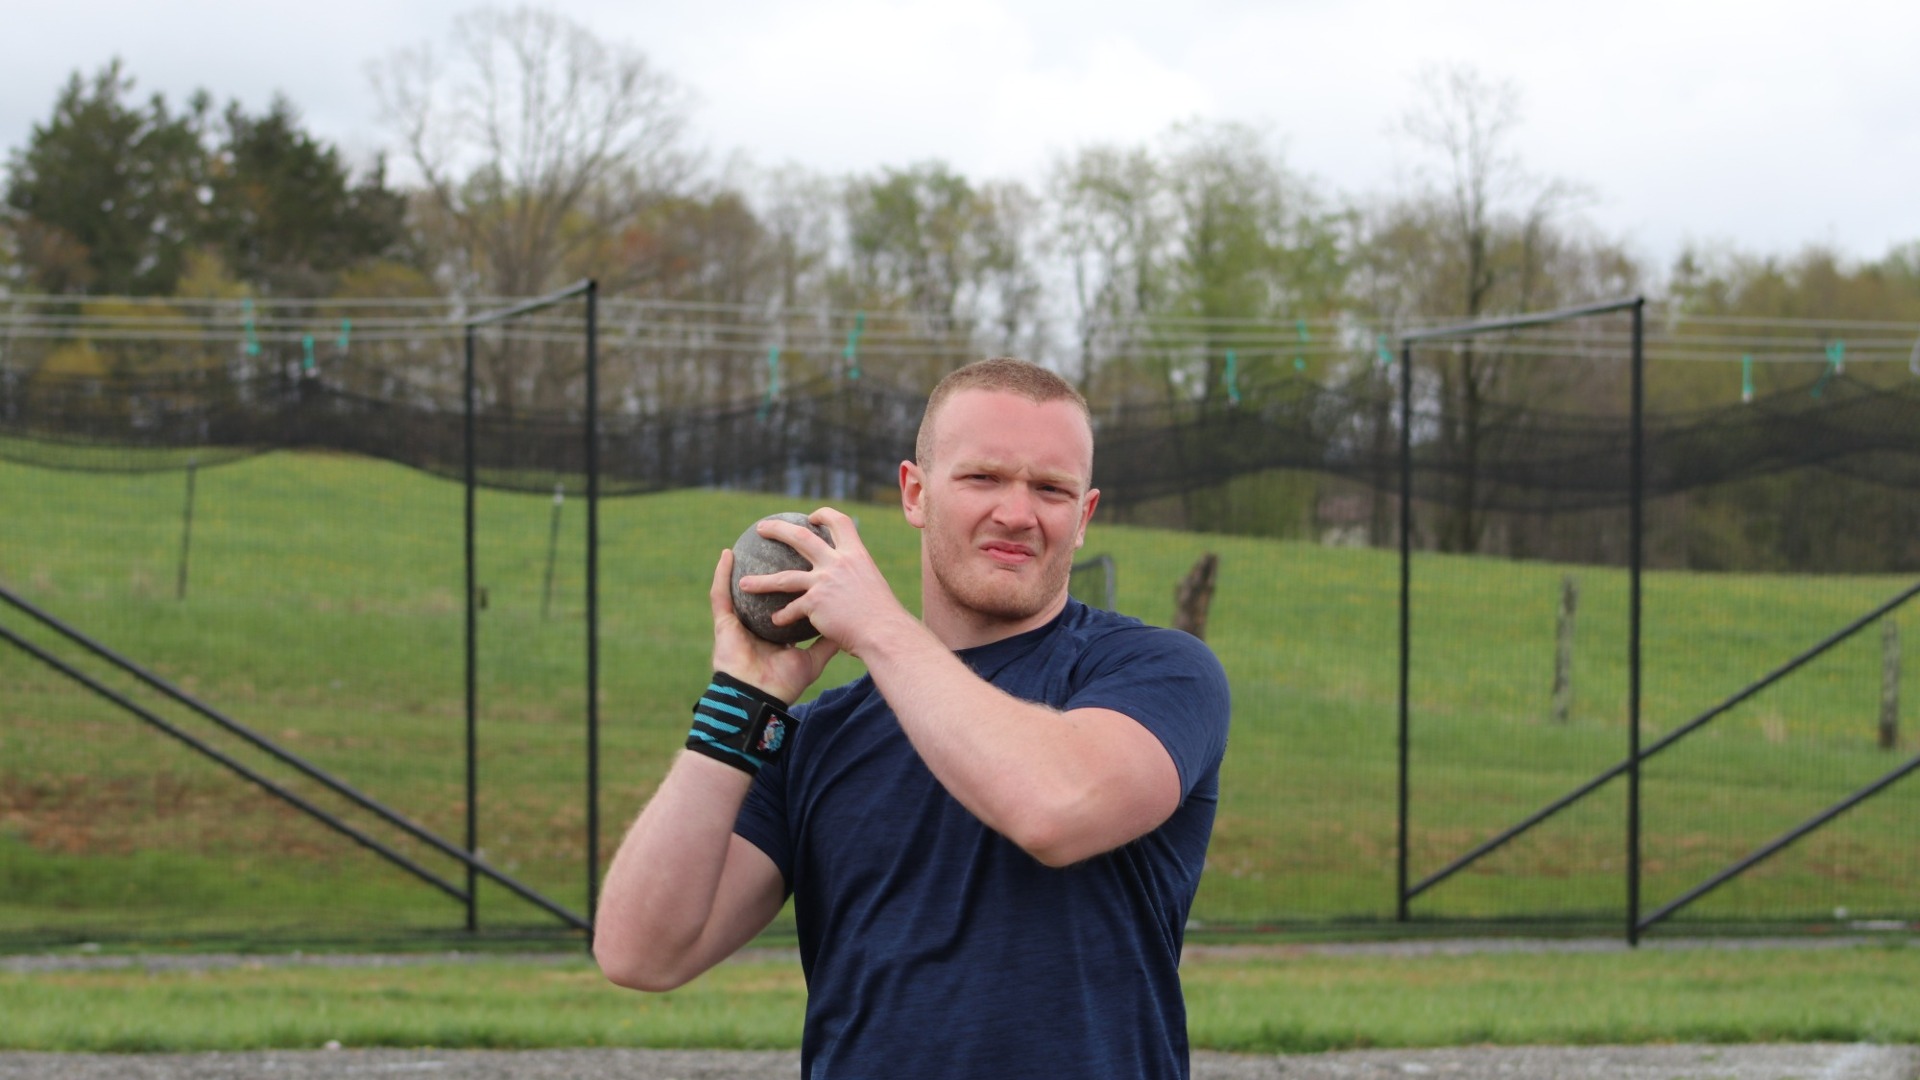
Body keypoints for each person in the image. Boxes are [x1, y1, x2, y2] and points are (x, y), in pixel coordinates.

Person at [595, 357, 1231, 1079]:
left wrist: (878, 627)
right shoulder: (816, 737)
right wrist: (741, 698)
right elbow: (639, 951)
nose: (1017, 514)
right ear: (915, 492)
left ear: (1082, 516)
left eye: (1051, 489)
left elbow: (1055, 808)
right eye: (982, 478)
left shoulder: (1157, 673)